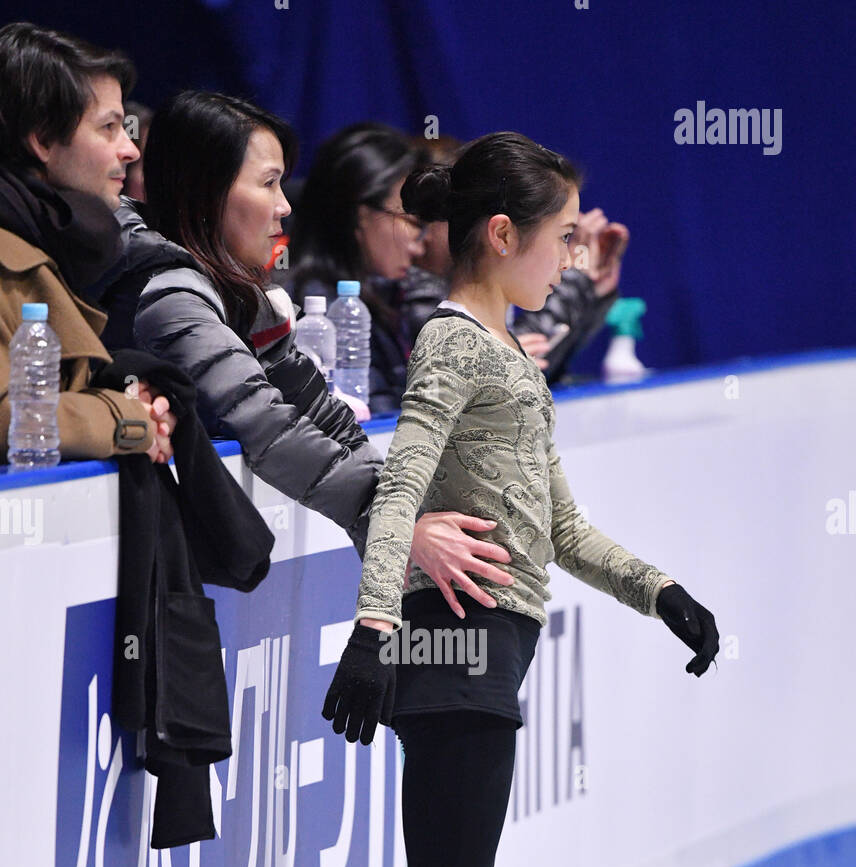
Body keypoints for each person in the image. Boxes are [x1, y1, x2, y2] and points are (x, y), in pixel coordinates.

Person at [309, 130, 719, 867]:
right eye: (564, 238)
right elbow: (400, 481)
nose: (574, 258)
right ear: (502, 235)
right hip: (451, 649)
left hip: (489, 648)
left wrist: (660, 592)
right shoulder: (455, 341)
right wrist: (374, 627)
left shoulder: (507, 355)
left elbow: (561, 525)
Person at [95, 92, 515, 596]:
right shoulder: (171, 297)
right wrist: (391, 523)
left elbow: (321, 412)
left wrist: (403, 511)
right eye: (268, 183)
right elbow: (264, 421)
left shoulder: (243, 296)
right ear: (207, 191)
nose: (284, 205)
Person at [0, 22, 173, 464]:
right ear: (42, 139)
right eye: (109, 127)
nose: (130, 150)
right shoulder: (11, 259)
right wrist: (126, 416)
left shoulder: (46, 246)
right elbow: (11, 417)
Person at [403, 133, 628, 382]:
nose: (566, 262)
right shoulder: (444, 336)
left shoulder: (481, 322)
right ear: (503, 234)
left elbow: (543, 365)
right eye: (563, 236)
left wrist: (590, 290)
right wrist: (577, 281)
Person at [287, 122, 427, 415]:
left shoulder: (384, 295)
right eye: (412, 221)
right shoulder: (322, 308)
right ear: (361, 214)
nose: (419, 247)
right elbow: (373, 422)